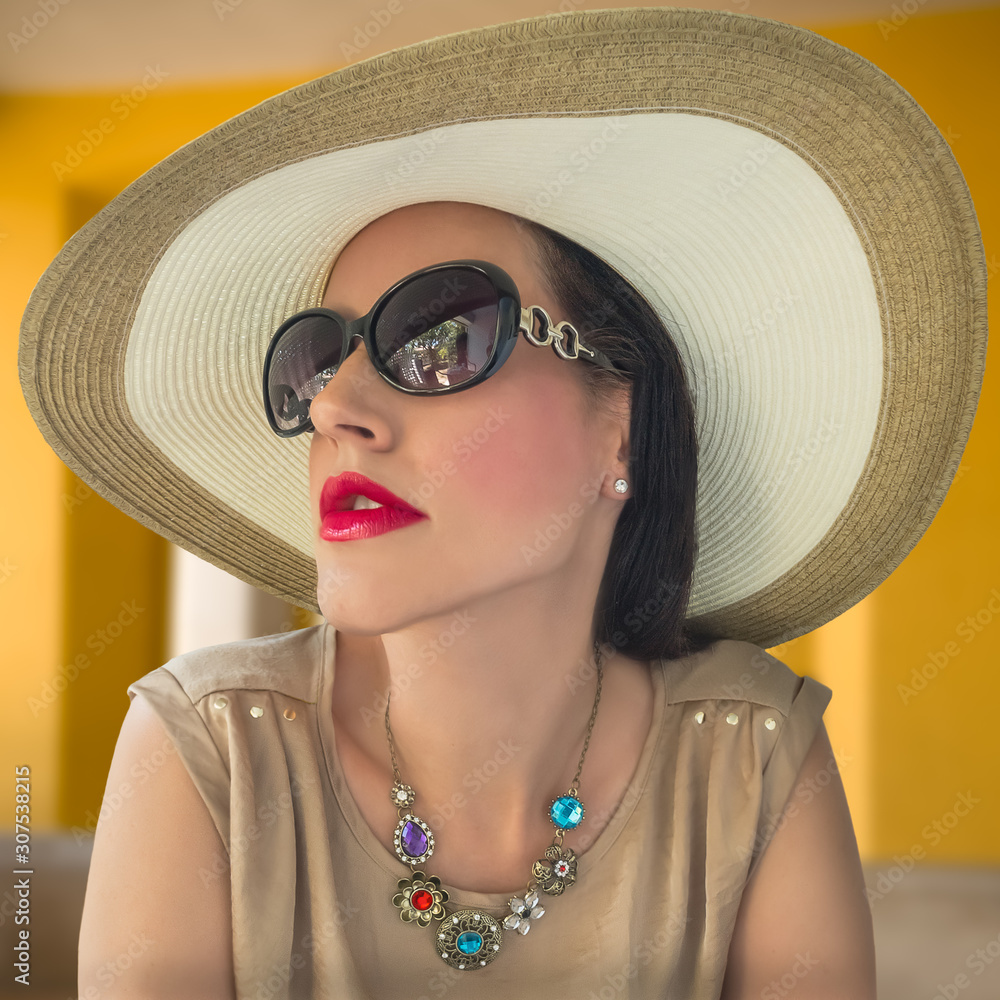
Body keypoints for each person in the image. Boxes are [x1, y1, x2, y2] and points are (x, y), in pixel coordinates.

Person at [17, 8, 985, 1000]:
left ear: (617, 425)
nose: (336, 407)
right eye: (318, 362)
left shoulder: (753, 751)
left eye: (438, 340)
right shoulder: (208, 746)